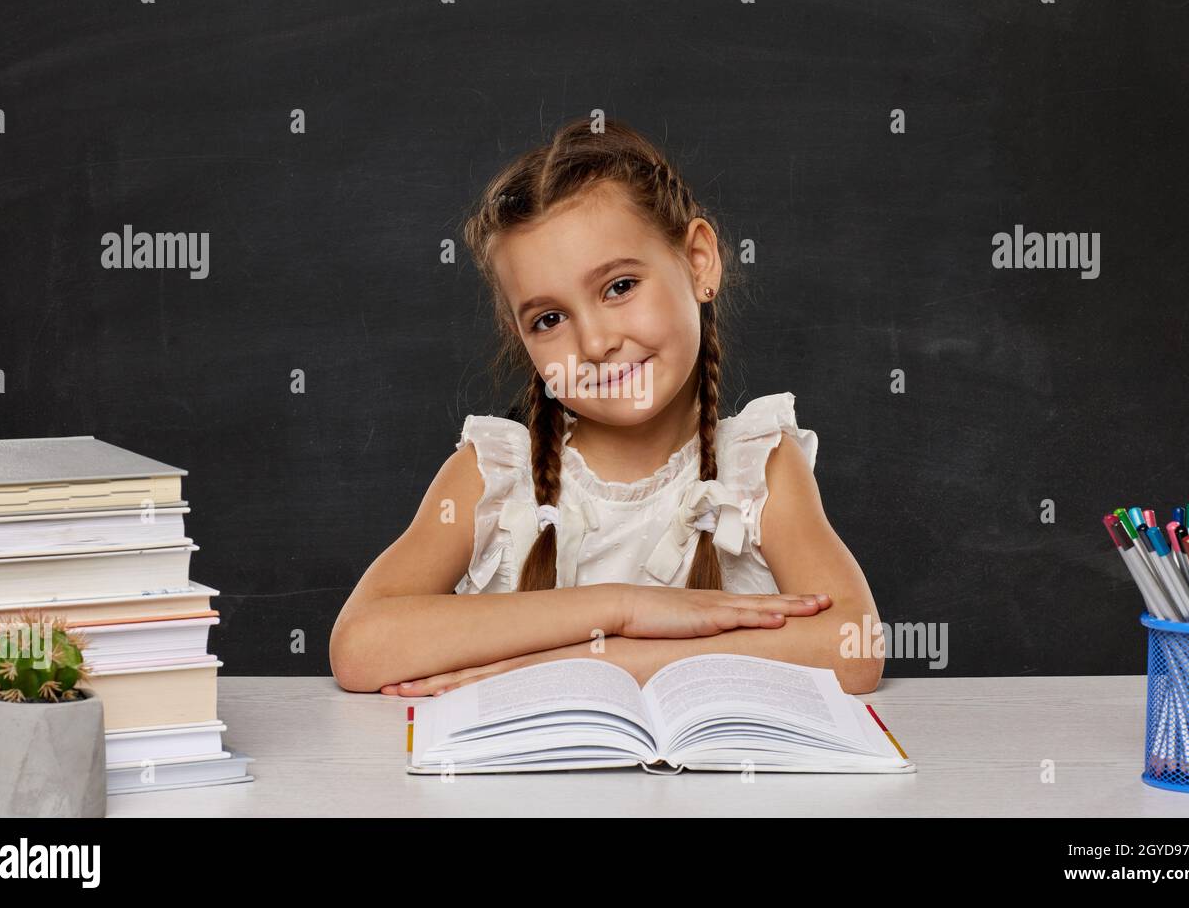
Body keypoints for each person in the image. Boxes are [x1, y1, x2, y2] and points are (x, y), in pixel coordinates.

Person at [331, 117, 883, 696]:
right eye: (549, 319)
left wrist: (611, 660)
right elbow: (361, 647)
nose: (595, 345)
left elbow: (856, 646)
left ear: (699, 262)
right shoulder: (490, 477)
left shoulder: (758, 469)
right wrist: (621, 609)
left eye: (619, 286)